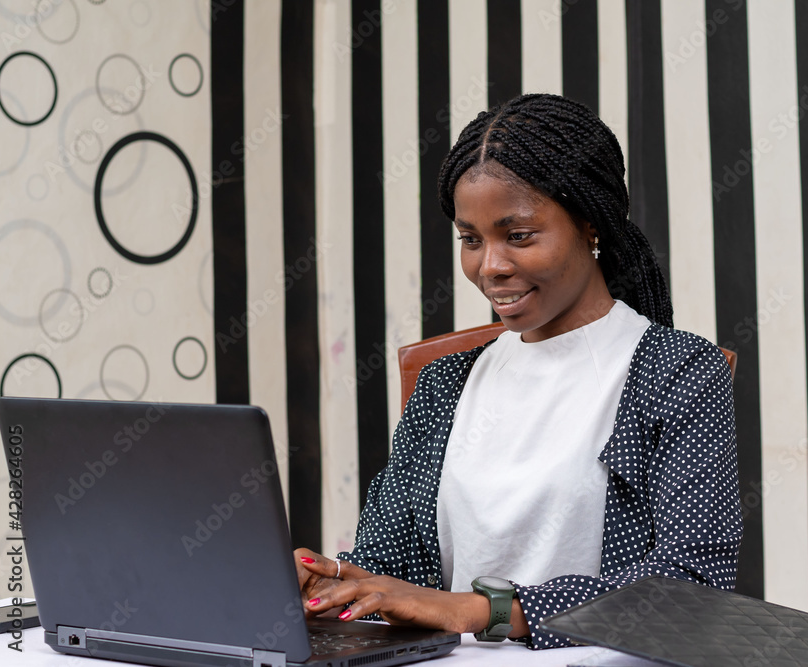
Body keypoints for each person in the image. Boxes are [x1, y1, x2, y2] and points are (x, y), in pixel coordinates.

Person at [294, 93, 742, 650]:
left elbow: (691, 587)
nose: (491, 266)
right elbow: (393, 565)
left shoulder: (674, 373)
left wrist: (482, 610)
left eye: (520, 235)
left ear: (590, 224)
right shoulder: (445, 385)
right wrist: (338, 580)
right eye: (471, 240)